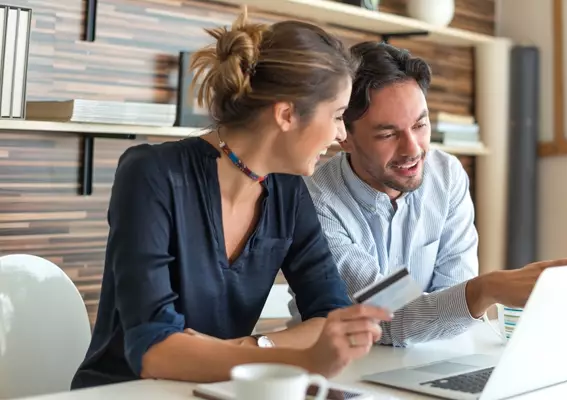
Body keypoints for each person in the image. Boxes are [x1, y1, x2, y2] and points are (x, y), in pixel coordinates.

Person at [70, 10, 392, 389]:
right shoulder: (152, 174)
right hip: (124, 393)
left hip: (216, 390)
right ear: (286, 114)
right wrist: (302, 360)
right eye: (337, 115)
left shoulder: (288, 193)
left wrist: (253, 346)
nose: (341, 134)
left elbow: (331, 316)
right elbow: (152, 349)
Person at [288, 41, 567, 347]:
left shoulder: (446, 175)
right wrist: (486, 289)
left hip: (431, 356)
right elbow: (389, 316)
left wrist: (465, 297)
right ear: (344, 137)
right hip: (340, 373)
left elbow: (453, 296)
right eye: (388, 134)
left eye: (420, 124)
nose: (413, 148)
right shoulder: (316, 201)